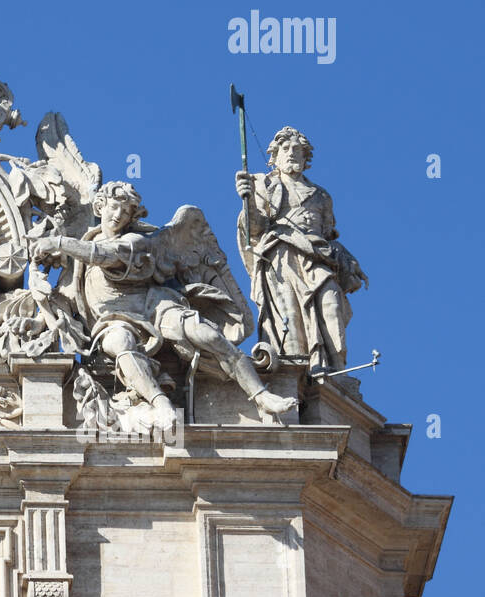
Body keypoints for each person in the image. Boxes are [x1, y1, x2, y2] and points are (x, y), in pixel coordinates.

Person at [37, 181, 297, 431]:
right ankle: (161, 404)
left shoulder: (135, 243)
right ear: (99, 206)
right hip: (112, 321)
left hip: (154, 306)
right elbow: (65, 297)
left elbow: (104, 255)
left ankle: (261, 395)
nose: (117, 215)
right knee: (120, 344)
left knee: (205, 333)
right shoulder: (78, 261)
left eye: (125, 211)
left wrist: (58, 243)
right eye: (113, 207)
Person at [235, 126, 367, 374]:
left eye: (298, 149)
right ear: (274, 156)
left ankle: (336, 373)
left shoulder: (321, 196)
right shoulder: (265, 186)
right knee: (290, 317)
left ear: (307, 158)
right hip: (281, 259)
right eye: (285, 149)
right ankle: (296, 376)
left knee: (332, 304)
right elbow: (255, 229)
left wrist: (346, 259)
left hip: (317, 258)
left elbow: (328, 237)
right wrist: (248, 200)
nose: (292, 153)